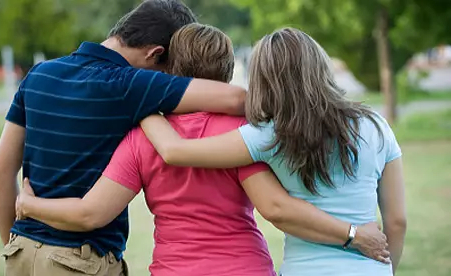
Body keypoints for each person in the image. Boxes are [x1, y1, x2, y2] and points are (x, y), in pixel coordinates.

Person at [17, 24, 390, 275]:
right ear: (228, 71)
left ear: (170, 70)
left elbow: (90, 213)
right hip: (245, 267)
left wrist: (29, 204)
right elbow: (275, 207)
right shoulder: (245, 131)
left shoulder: (142, 135)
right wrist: (353, 233)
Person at [0, 1, 251, 275]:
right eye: (168, 70)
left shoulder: (38, 74)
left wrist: (14, 245)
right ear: (155, 54)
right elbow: (237, 98)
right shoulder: (131, 84)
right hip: (80, 260)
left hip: (20, 251)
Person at [138, 28, 407, 276]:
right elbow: (396, 222)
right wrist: (383, 265)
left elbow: (174, 151)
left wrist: (142, 105)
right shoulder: (375, 125)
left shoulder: (269, 136)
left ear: (264, 80)